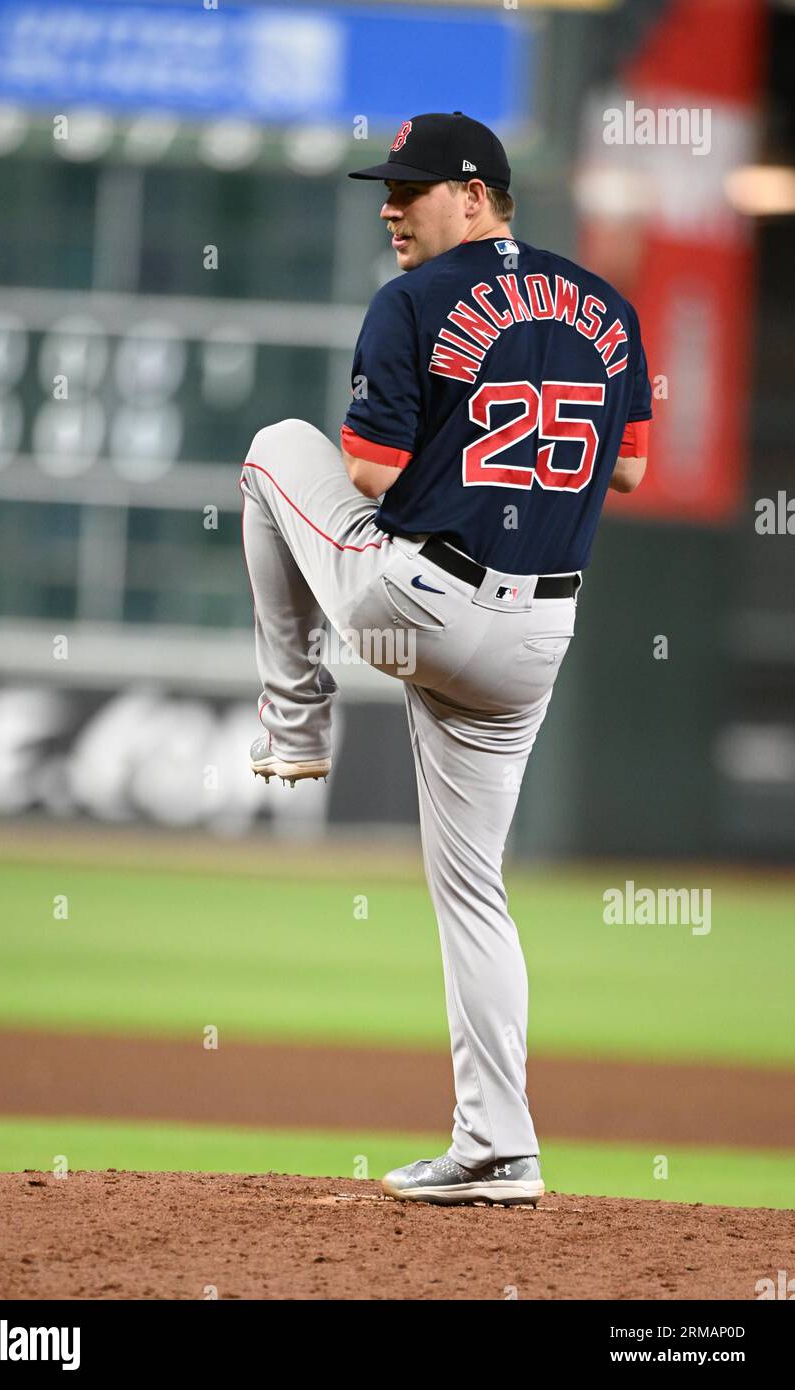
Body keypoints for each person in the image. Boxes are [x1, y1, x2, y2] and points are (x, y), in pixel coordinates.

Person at [240, 111, 651, 1206]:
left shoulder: (413, 301)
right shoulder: (605, 303)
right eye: (387, 188)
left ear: (475, 194)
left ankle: (292, 718)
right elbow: (628, 473)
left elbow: (367, 476)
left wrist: (458, 444)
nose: (390, 205)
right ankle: (497, 1148)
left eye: (411, 188)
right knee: (474, 891)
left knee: (275, 450)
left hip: (415, 604)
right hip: (533, 640)